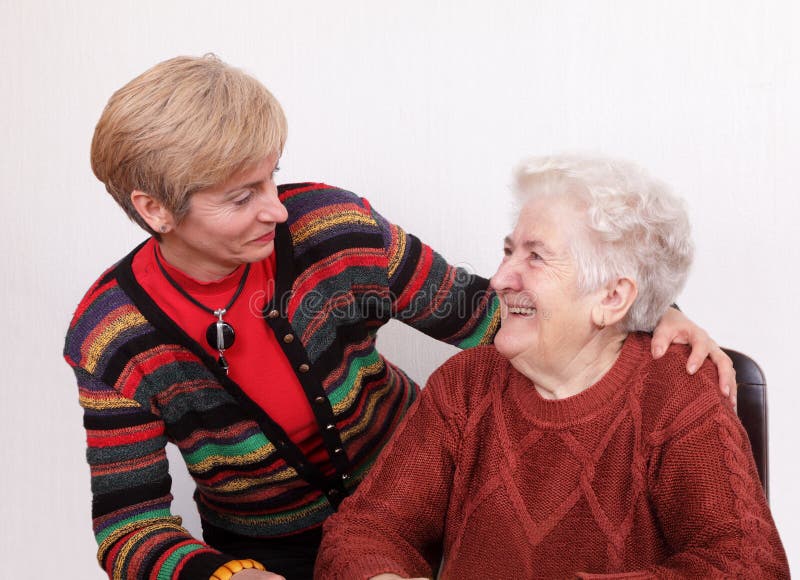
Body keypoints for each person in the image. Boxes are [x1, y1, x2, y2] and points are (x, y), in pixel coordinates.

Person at [64, 56, 734, 580]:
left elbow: (486, 312)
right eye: (243, 197)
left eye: (274, 177)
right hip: (262, 554)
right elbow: (130, 526)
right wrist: (225, 576)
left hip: (427, 504)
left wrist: (650, 307)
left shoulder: (333, 227)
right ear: (155, 210)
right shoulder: (111, 335)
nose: (276, 208)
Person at [315, 154, 789, 579]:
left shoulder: (678, 392)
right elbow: (364, 531)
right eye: (507, 251)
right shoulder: (465, 385)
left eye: (535, 257)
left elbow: (749, 567)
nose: (499, 279)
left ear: (612, 297)